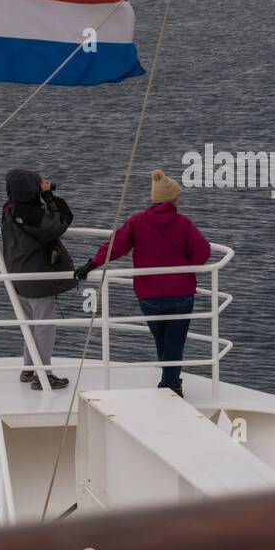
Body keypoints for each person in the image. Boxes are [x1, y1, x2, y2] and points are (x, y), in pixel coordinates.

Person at [77, 169, 210, 398]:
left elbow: (116, 245)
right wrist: (184, 260)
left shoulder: (137, 221)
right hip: (180, 294)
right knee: (174, 342)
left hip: (149, 295)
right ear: (173, 199)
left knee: (162, 341)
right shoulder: (184, 224)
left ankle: (171, 381)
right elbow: (202, 254)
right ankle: (170, 386)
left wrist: (92, 263)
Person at [1, 168, 76, 390]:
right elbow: (60, 222)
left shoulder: (9, 209)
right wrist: (48, 196)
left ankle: (29, 368)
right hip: (37, 279)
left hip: (18, 276)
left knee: (30, 325)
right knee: (44, 327)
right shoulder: (30, 213)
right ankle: (43, 376)